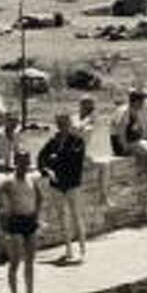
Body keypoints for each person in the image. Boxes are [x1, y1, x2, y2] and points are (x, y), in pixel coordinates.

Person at [37, 113, 91, 263]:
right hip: (57, 184)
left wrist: (55, 158)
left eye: (65, 123)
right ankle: (68, 249)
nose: (62, 127)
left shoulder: (77, 141)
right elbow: (41, 158)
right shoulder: (53, 141)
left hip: (72, 184)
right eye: (60, 123)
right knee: (63, 218)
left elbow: (73, 160)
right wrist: (47, 170)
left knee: (76, 216)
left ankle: (82, 249)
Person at [0, 149, 44, 293]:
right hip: (15, 222)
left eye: (26, 161)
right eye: (21, 161)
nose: (24, 165)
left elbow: (40, 197)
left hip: (29, 221)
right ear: (15, 162)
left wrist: (36, 215)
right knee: (15, 262)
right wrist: (4, 219)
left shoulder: (31, 178)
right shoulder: (8, 181)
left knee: (30, 262)